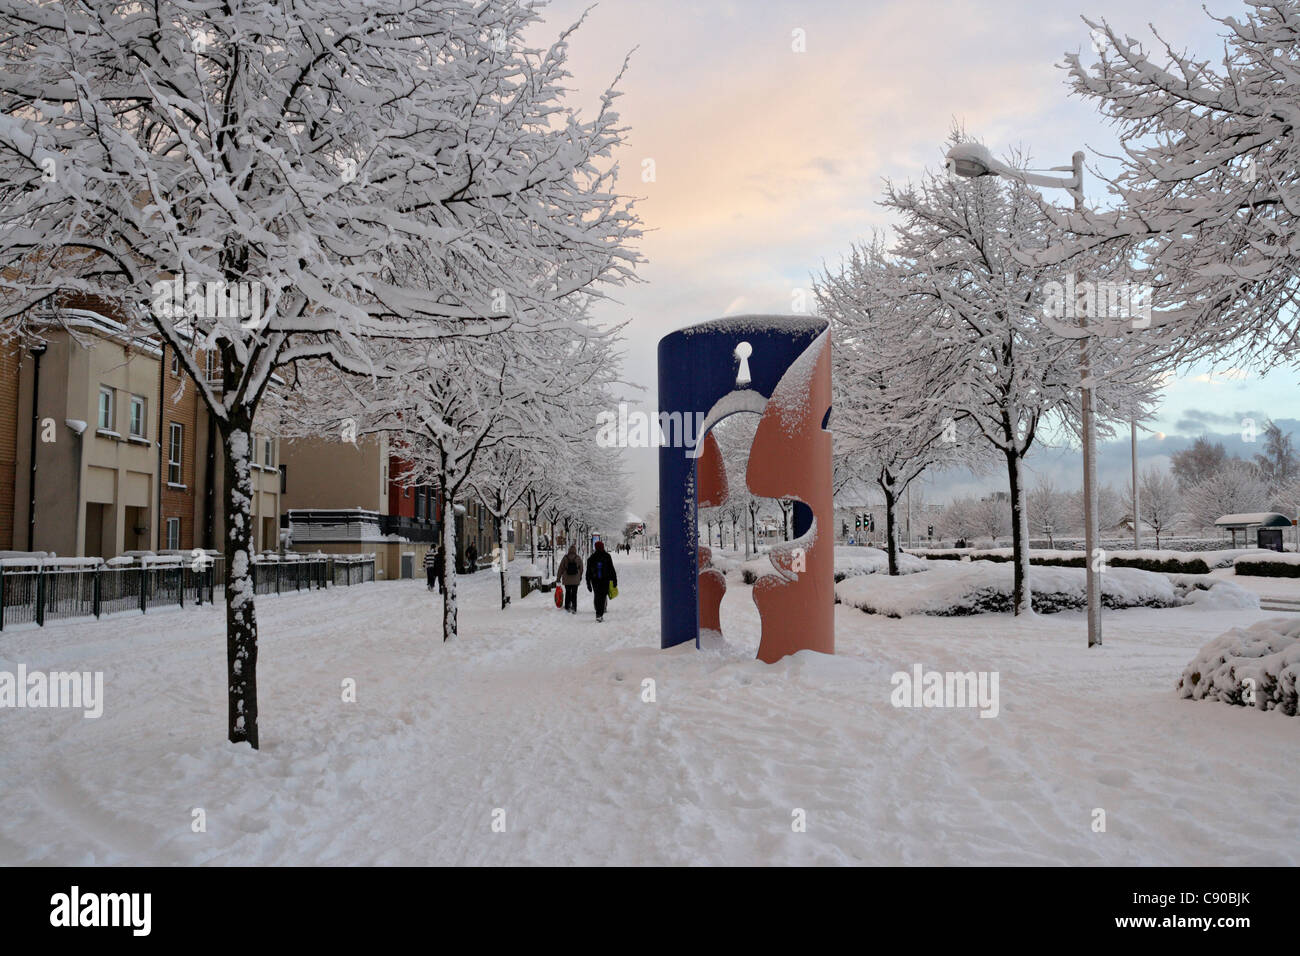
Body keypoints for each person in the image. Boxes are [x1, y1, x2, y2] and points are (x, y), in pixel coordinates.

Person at [586, 540, 618, 622]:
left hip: (595, 581)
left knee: (597, 596)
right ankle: (600, 614)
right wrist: (614, 580)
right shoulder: (607, 556)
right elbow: (611, 569)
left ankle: (598, 614)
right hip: (605, 580)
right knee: (603, 597)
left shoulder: (591, 558)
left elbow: (588, 572)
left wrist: (588, 583)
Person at [559, 544, 583, 613]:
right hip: (575, 580)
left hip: (567, 580)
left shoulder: (565, 558)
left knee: (568, 592)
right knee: (574, 594)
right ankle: (574, 607)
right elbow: (581, 568)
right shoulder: (578, 558)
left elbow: (561, 568)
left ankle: (567, 606)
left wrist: (558, 578)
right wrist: (580, 576)